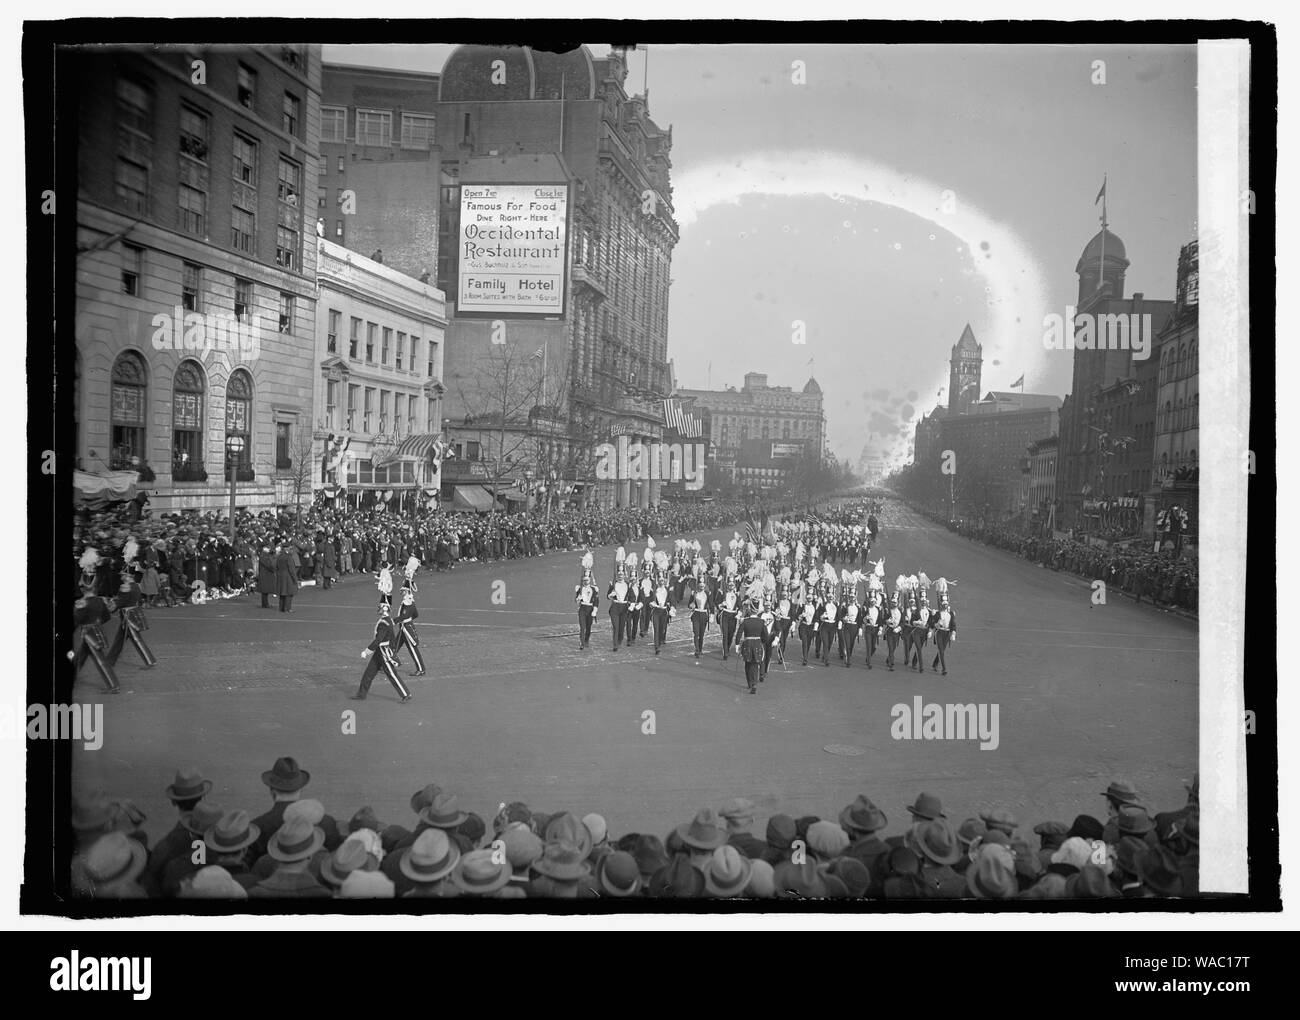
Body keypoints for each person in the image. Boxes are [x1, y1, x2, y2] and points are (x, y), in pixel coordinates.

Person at [351, 604, 412, 703]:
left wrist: (367, 651)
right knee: (369, 673)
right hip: (380, 651)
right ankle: (361, 694)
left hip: (383, 652)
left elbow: (378, 639)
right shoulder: (387, 620)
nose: (378, 610)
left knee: (391, 674)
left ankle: (406, 694)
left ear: (383, 610)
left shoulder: (384, 623)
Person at [72, 579, 120, 695]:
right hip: (96, 630)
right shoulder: (100, 601)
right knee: (79, 658)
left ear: (83, 589)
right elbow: (107, 617)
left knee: (100, 660)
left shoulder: (84, 602)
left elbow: (77, 619)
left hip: (89, 634)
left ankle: (113, 685)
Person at [735, 599, 770, 695]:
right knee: (755, 664)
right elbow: (766, 636)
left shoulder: (745, 621)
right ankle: (754, 683)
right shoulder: (761, 622)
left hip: (747, 644)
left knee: (748, 664)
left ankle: (750, 683)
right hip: (758, 643)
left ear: (750, 610)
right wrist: (762, 641)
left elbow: (739, 634)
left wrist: (737, 644)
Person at [392, 586, 426, 678]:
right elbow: (416, 614)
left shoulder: (407, 602)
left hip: (406, 629)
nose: (401, 592)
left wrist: (392, 622)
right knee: (395, 646)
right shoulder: (410, 600)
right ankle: (387, 664)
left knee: (412, 650)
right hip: (405, 627)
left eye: (403, 590)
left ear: (407, 591)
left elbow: (403, 616)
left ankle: (421, 669)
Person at [607, 550, 630, 652]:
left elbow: (632, 596)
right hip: (615, 608)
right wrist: (611, 595)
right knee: (615, 627)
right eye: (619, 572)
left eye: (622, 572)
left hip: (624, 608)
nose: (620, 574)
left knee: (621, 627)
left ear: (625, 574)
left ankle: (620, 639)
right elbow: (607, 596)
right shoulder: (613, 584)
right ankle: (615, 644)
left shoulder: (628, 584)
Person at [929, 592, 957, 676]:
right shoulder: (937, 614)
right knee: (941, 651)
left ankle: (935, 664)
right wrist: (937, 624)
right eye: (943, 604)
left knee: (941, 651)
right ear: (941, 604)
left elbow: (953, 625)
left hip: (947, 633)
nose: (945, 605)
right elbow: (931, 624)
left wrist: (953, 633)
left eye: (946, 604)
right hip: (939, 633)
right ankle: (944, 669)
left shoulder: (951, 614)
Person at [575, 554, 598, 650]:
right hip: (582, 609)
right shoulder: (579, 588)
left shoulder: (594, 589)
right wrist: (578, 598)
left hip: (590, 609)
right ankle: (582, 642)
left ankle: (587, 639)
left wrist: (595, 610)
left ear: (589, 580)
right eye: (584, 580)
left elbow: (596, 601)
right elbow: (576, 601)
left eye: (587, 580)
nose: (585, 582)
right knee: (582, 627)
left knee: (588, 627)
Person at [275, 543, 298, 613]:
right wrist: (295, 579)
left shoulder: (279, 556)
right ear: (287, 548)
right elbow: (291, 569)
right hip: (288, 576)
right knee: (289, 593)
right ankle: (287, 608)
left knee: (282, 592)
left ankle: (281, 607)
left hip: (280, 575)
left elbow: (276, 566)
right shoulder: (288, 557)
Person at [883, 593, 903, 670]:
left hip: (896, 632)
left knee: (894, 647)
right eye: (892, 602)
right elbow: (884, 619)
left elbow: (902, 622)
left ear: (897, 603)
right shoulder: (888, 611)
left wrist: (899, 628)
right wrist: (887, 621)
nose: (894, 603)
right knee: (890, 647)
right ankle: (891, 663)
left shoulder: (900, 611)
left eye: (895, 602)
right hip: (889, 631)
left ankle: (888, 659)